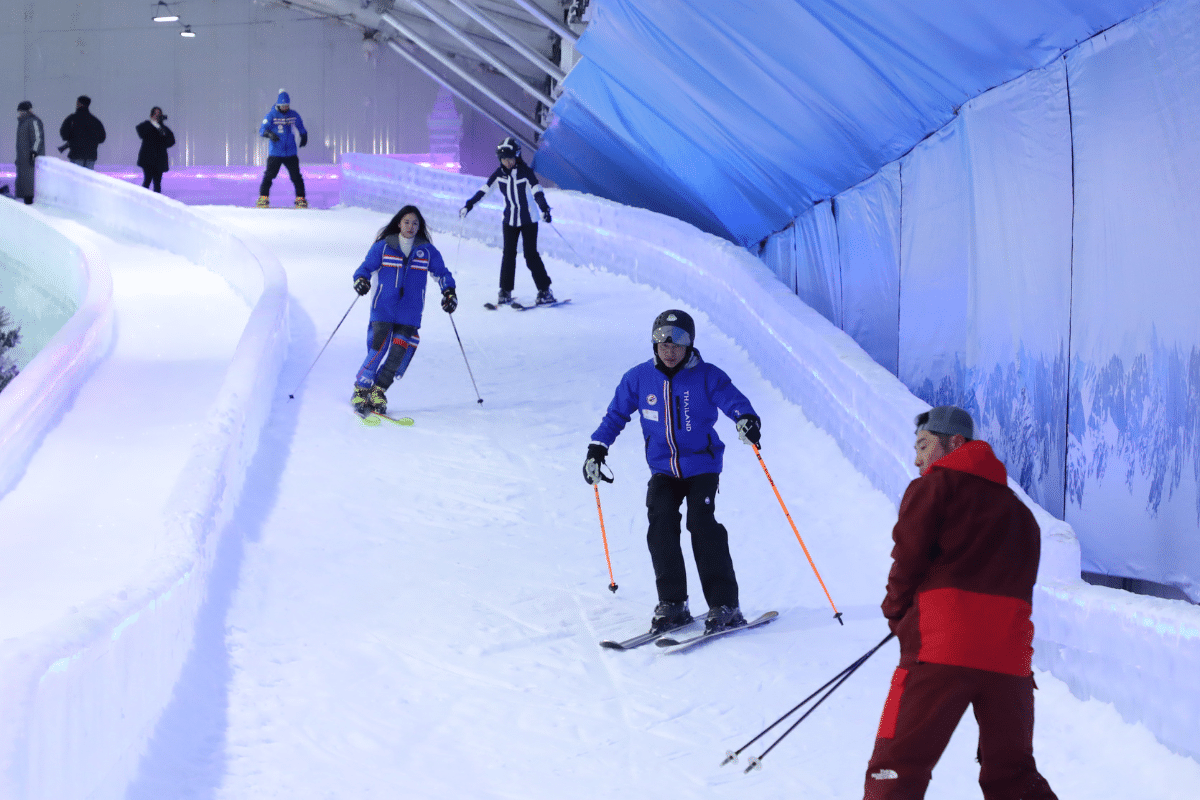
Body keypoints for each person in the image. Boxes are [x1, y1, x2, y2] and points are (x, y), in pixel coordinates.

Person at [861, 405, 1058, 800]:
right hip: (1010, 659)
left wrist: (898, 615)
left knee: (895, 767)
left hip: (942, 648)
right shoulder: (1022, 515)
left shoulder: (934, 487)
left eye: (923, 445)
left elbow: (908, 559)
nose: (917, 459)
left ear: (955, 443)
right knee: (1014, 776)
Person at [583, 310, 763, 634]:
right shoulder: (638, 378)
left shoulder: (707, 375)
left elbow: (734, 401)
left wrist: (745, 418)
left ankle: (725, 605)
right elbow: (615, 416)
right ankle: (673, 603)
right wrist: (597, 447)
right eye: (662, 341)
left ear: (690, 344)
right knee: (661, 522)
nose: (669, 349)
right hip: (664, 468)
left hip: (702, 464)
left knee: (701, 522)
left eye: (677, 341)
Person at [350, 205, 457, 415]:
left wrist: (449, 293)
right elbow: (365, 268)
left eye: (415, 223)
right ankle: (361, 388)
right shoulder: (383, 247)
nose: (410, 226)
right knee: (378, 347)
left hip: (410, 310)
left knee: (399, 350)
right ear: (399, 223)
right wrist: (361, 280)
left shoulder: (426, 251)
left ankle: (378, 390)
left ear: (419, 227)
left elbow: (442, 273)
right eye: (406, 222)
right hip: (384, 307)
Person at [459, 136, 556, 306]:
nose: (507, 162)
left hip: (528, 221)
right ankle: (505, 291)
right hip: (509, 221)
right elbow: (484, 191)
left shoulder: (526, 173)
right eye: (504, 159)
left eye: (510, 159)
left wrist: (544, 209)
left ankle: (545, 290)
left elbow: (537, 191)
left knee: (530, 255)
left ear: (517, 156)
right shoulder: (499, 175)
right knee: (508, 256)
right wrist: (469, 205)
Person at [257, 89, 308, 208]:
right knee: (269, 175)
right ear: (278, 105)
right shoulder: (271, 115)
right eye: (283, 106)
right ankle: (263, 198)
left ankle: (300, 198)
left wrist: (303, 134)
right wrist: (269, 134)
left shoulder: (293, 115)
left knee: (296, 176)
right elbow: (262, 130)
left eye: (287, 106)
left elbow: (300, 125)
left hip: (290, 152)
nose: (285, 108)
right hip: (276, 153)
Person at [135, 107, 176, 193]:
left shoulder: (163, 129)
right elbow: (141, 132)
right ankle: (142, 201)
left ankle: (157, 203)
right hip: (148, 159)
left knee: (157, 183)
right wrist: (153, 124)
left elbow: (171, 140)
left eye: (159, 114)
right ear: (151, 115)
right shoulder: (146, 126)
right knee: (147, 181)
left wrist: (160, 128)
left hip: (159, 160)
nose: (157, 116)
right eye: (155, 114)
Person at [58, 95, 106, 169]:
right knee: (88, 179)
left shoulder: (72, 119)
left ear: (79, 104)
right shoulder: (95, 121)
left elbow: (64, 134)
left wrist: (72, 140)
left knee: (76, 178)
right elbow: (102, 138)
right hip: (91, 155)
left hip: (76, 154)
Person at [15, 101, 44, 205]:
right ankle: (28, 205)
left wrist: (33, 154)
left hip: (30, 161)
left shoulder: (32, 121)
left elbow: (37, 139)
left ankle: (30, 208)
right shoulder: (23, 122)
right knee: (26, 187)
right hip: (24, 160)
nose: (20, 113)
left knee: (30, 188)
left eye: (21, 111)